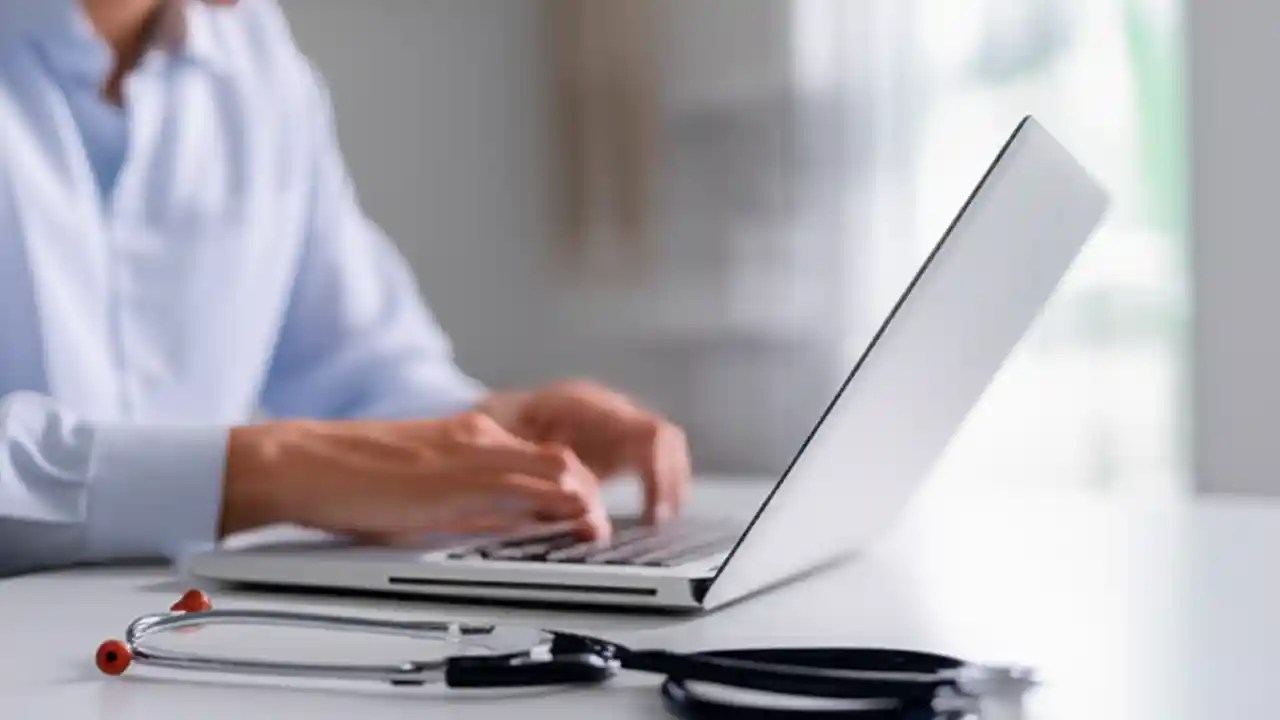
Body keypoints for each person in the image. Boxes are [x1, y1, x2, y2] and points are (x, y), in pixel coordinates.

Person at [0, 0, 690, 576]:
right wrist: (262, 472)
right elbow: (307, 462)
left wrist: (493, 433)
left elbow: (351, 367)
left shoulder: (255, 56)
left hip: (165, 631)